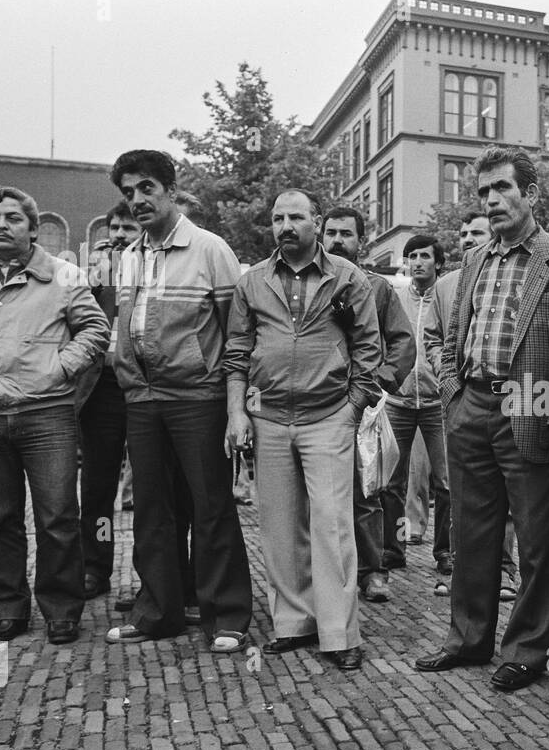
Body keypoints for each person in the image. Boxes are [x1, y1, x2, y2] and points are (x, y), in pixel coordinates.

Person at [416, 146, 549, 693]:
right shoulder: (474, 260)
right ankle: (468, 640)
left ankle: (528, 650)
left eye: (502, 189)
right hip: (472, 406)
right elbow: (449, 334)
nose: (491, 201)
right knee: (472, 531)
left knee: (536, 539)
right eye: (484, 193)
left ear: (531, 194)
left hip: (531, 404)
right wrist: (453, 393)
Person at [0, 186, 109, 644]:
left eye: (13, 218)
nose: (1, 225)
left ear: (33, 228)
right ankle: (8, 608)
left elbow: (94, 328)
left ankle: (62, 609)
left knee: (57, 516)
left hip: (46, 414)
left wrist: (60, 368)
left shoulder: (65, 275)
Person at [224, 190, 382, 668]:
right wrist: (237, 413)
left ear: (317, 220)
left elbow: (368, 350)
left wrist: (351, 410)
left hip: (328, 416)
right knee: (278, 526)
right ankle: (293, 623)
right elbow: (235, 350)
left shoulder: (347, 278)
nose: (285, 225)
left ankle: (339, 633)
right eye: (277, 218)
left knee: (332, 526)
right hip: (269, 417)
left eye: (296, 216)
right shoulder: (252, 281)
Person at [106, 149, 254, 653]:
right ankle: (158, 613)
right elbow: (127, 325)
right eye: (128, 192)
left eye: (147, 188)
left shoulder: (210, 249)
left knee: (211, 506)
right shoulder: (129, 256)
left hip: (197, 396)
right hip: (143, 399)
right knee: (151, 509)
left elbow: (237, 333)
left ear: (171, 190)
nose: (137, 200)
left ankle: (227, 615)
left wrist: (233, 403)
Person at [320, 206, 415, 605]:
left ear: (362, 242)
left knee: (366, 491)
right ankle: (324, 571)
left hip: (361, 406)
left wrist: (377, 386)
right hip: (315, 405)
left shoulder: (377, 289)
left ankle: (373, 570)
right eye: (331, 233)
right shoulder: (309, 284)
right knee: (321, 493)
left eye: (346, 233)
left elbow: (403, 342)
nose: (337, 240)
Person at [427, 212, 522, 600]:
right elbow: (435, 338)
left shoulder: (521, 270)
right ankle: (461, 574)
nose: (467, 238)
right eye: (463, 233)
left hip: (516, 397)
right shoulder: (450, 282)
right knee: (462, 497)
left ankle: (503, 571)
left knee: (511, 498)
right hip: (466, 400)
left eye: (476, 232)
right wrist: (450, 383)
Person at [381, 235, 453, 588]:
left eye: (425, 256)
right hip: (399, 402)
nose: (417, 262)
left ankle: (445, 551)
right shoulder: (395, 299)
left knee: (446, 481)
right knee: (392, 481)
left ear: (439, 262)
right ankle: (393, 548)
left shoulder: (447, 296)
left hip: (438, 404)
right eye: (412, 256)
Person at [79, 201, 141, 600]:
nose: (119, 234)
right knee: (98, 485)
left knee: (149, 489)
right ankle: (94, 570)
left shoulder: (156, 268)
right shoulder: (93, 271)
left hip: (141, 386)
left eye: (128, 227)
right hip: (101, 388)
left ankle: (149, 578)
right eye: (113, 226)